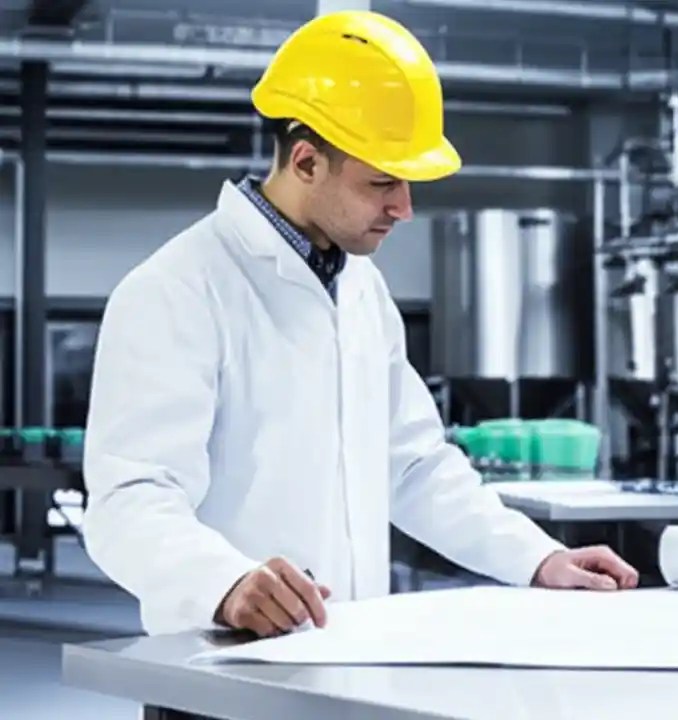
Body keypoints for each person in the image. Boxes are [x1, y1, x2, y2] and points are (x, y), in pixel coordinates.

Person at [80, 10, 638, 639]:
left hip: (347, 659)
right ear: (307, 161)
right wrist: (225, 583)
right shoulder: (178, 290)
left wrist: (538, 559)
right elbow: (127, 504)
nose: (404, 208)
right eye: (382, 183)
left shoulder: (360, 288)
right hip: (216, 666)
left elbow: (415, 468)